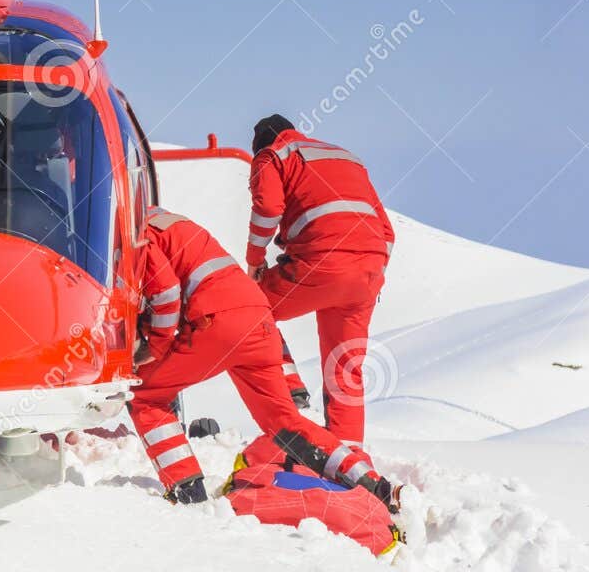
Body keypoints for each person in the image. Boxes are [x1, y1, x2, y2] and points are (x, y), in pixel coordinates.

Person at [132, 208, 394, 508]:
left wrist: (155, 349)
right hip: (261, 320)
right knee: (284, 421)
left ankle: (188, 493)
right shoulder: (171, 223)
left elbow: (165, 294)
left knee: (145, 396)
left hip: (217, 322)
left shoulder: (137, 230)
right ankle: (371, 483)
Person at [244, 115, 395, 445]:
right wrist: (373, 272)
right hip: (368, 273)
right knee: (346, 368)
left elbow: (268, 208)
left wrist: (254, 260)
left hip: (321, 262)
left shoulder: (272, 155)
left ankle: (291, 390)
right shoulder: (346, 157)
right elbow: (387, 231)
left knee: (247, 308)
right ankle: (349, 456)